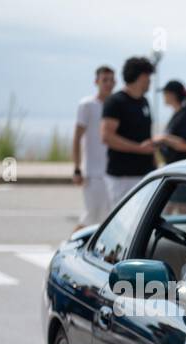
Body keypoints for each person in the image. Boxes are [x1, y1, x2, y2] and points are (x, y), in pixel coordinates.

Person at [100, 56, 156, 206]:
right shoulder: (115, 102)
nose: (150, 81)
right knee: (124, 227)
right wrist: (139, 148)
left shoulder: (144, 101)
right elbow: (107, 137)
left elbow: (146, 136)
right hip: (121, 178)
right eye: (148, 77)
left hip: (145, 175)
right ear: (141, 77)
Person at [72, 65, 114, 226]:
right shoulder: (87, 105)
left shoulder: (115, 104)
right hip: (92, 173)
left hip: (112, 173)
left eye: (111, 80)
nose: (108, 84)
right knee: (90, 216)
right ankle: (70, 247)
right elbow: (77, 137)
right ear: (96, 81)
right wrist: (77, 169)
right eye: (105, 80)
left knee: (108, 219)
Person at [156, 80, 186, 164]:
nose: (164, 96)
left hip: (185, 167)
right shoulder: (177, 115)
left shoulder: (185, 116)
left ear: (173, 95)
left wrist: (164, 138)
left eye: (165, 93)